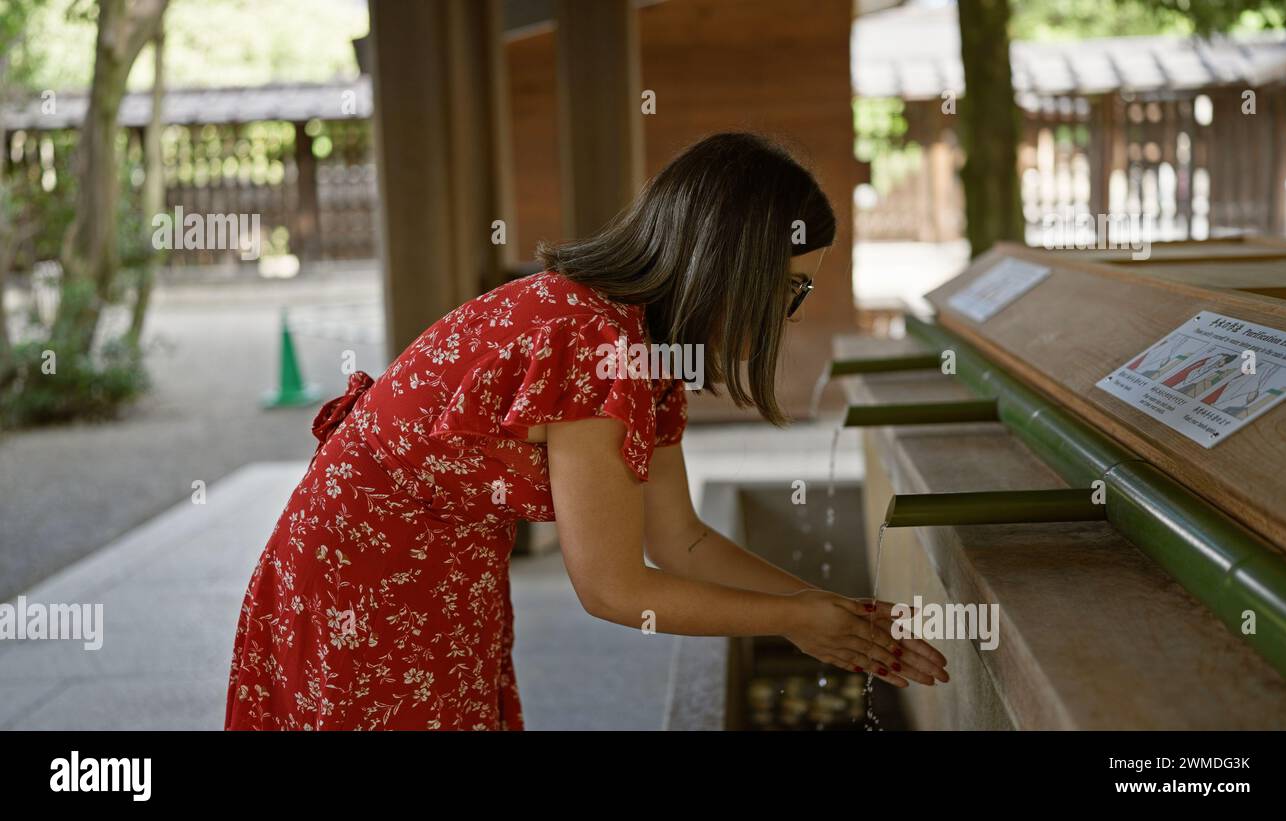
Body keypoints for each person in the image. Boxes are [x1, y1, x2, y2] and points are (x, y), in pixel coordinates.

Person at [224, 132, 949, 731]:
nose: (791, 314)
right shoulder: (593, 340)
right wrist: (792, 618)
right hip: (364, 583)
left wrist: (826, 614)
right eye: (793, 289)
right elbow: (611, 587)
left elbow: (679, 539)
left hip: (440, 576)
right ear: (733, 261)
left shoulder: (646, 346)